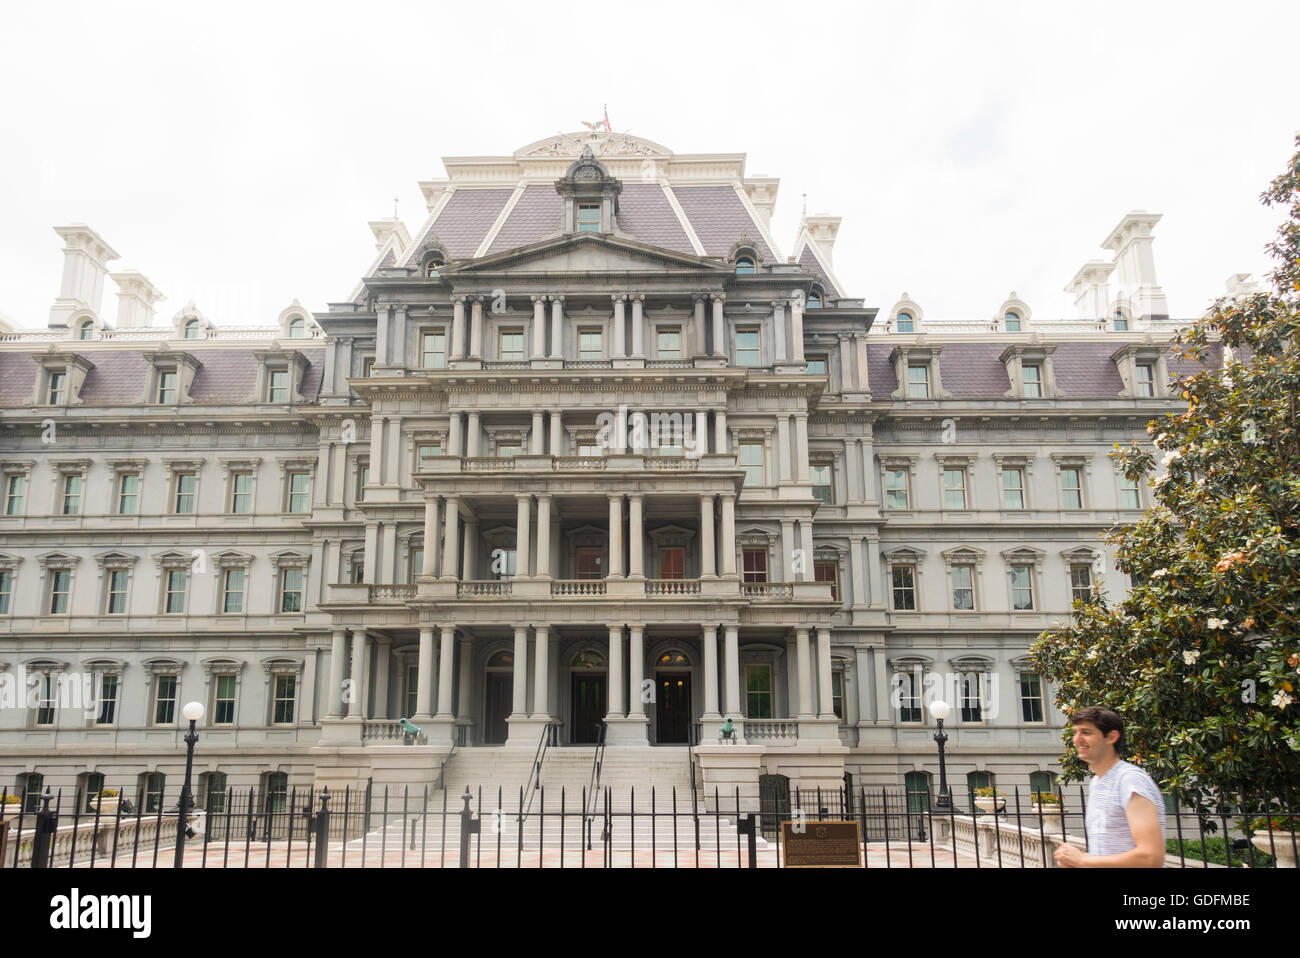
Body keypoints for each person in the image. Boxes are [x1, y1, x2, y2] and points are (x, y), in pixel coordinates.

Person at [1054, 706, 1166, 868]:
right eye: (1075, 732)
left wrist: (1083, 860)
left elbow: (1151, 857)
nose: (1077, 739)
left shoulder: (1130, 780)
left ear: (1112, 737)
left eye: (1086, 732)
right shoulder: (1097, 783)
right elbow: (1110, 855)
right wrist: (1075, 861)